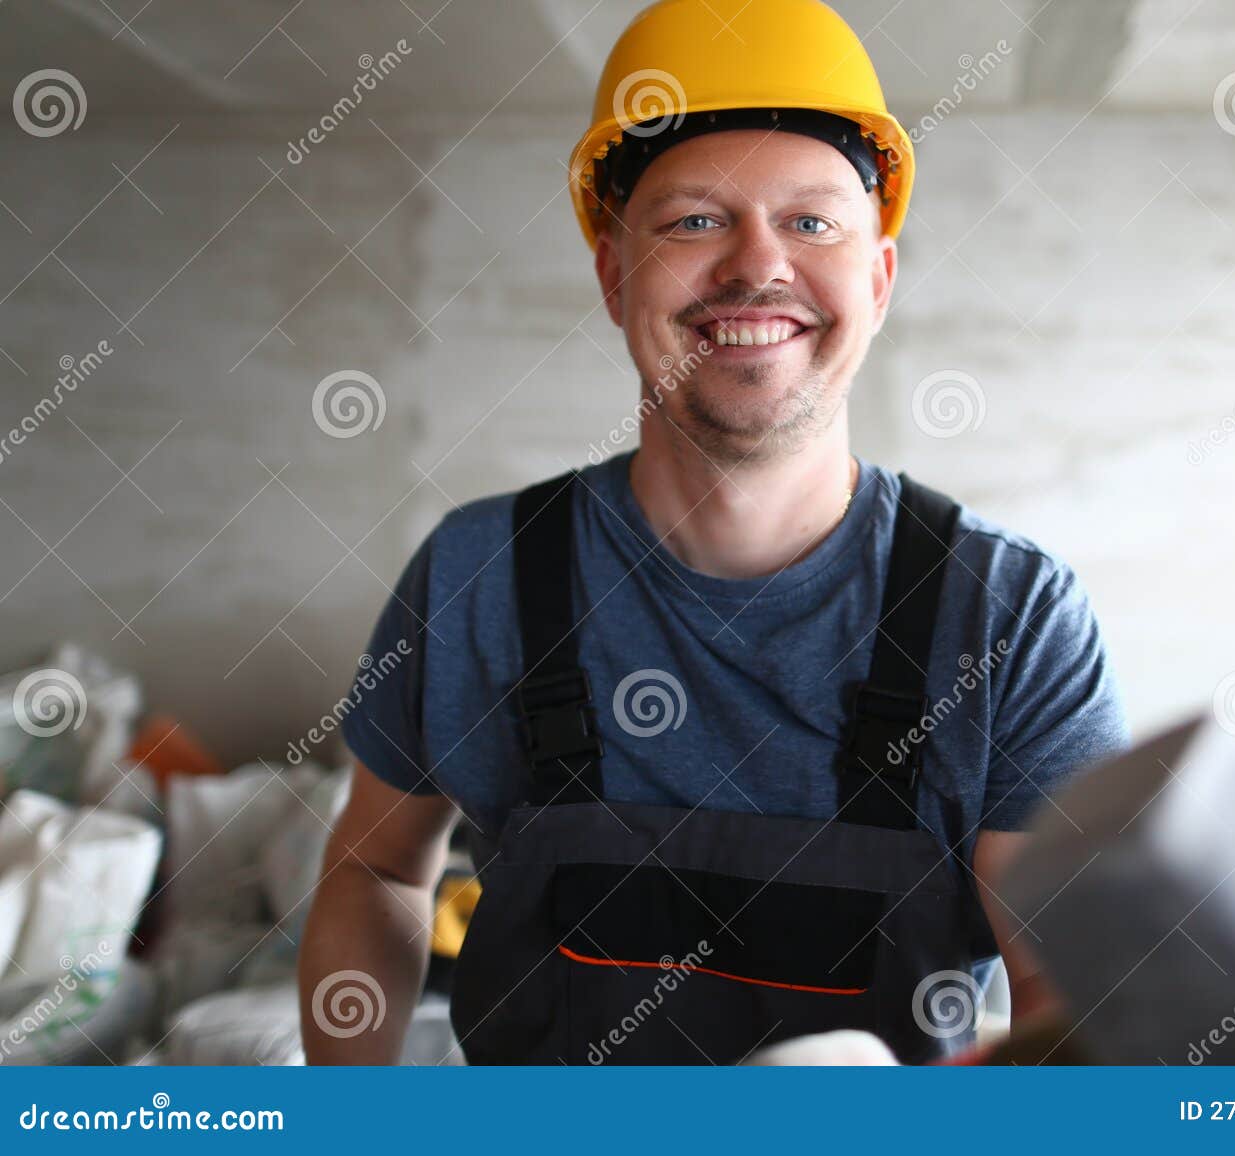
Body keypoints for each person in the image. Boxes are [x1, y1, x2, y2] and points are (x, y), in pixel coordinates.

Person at [297, 0, 1129, 1065]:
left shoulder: (1008, 619)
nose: (755, 266)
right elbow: (373, 870)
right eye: (693, 219)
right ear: (613, 277)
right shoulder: (481, 576)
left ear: (876, 280)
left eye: (812, 222)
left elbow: (1067, 988)